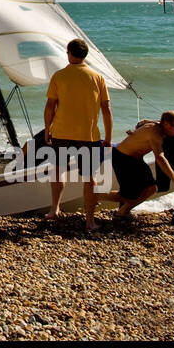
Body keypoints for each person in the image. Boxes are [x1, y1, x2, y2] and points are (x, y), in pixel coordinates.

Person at [44, 38, 112, 229]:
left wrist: (47, 130)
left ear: (69, 53)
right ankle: (89, 221)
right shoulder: (97, 77)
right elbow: (106, 109)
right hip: (88, 135)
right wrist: (107, 137)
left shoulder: (59, 76)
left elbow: (50, 106)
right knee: (89, 177)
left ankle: (54, 209)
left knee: (58, 170)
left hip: (61, 132)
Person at [98, 111, 174, 221]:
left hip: (136, 159)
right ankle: (95, 195)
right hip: (122, 157)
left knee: (151, 189)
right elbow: (160, 158)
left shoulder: (159, 126)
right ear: (166, 124)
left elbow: (145, 123)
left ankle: (122, 212)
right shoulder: (155, 134)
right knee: (126, 196)